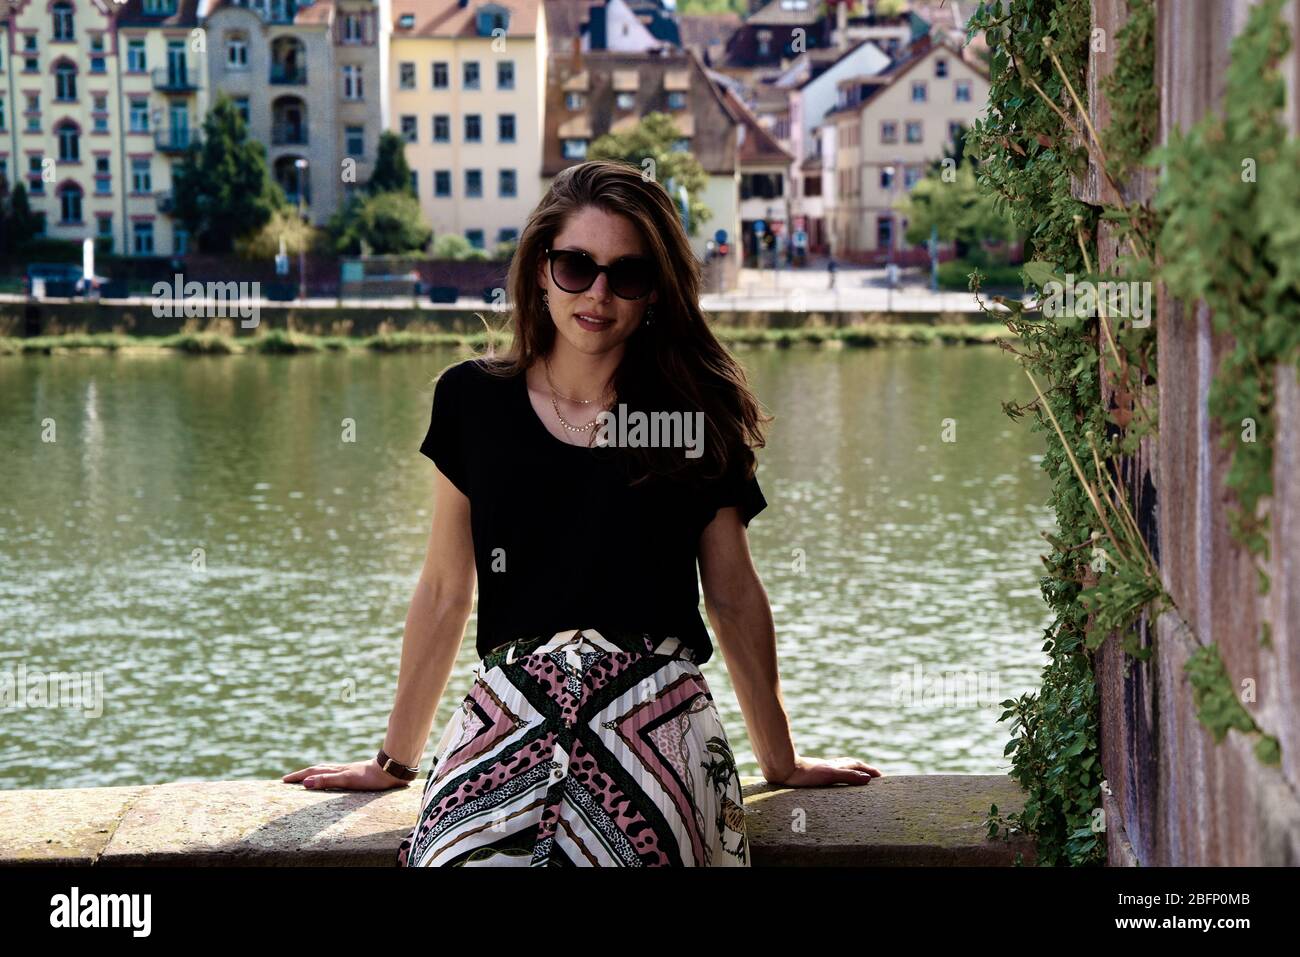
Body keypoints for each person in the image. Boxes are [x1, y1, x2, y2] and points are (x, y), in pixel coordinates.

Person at [283, 160, 881, 867]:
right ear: (540, 267)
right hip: (506, 714)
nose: (598, 293)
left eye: (626, 275)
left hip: (661, 721)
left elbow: (733, 593)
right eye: (576, 265)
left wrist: (778, 761)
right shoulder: (472, 402)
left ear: (654, 291)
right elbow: (446, 589)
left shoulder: (693, 414)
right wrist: (393, 762)